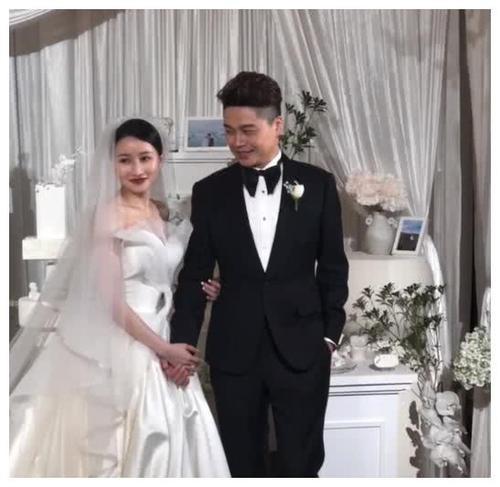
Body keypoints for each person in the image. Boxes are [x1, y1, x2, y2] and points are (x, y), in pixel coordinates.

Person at [9, 118, 230, 477]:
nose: (137, 169)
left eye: (145, 158)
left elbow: (169, 276)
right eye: (125, 160)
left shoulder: (161, 211)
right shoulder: (106, 216)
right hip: (125, 339)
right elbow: (113, 303)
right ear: (111, 164)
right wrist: (164, 349)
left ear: (160, 159)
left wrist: (212, 286)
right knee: (127, 432)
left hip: (164, 328)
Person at [170, 71, 349, 477]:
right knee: (240, 465)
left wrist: (328, 337)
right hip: (234, 351)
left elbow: (333, 268)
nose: (237, 141)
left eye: (248, 130)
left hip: (303, 351)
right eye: (229, 131)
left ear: (277, 125)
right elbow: (194, 274)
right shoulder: (210, 192)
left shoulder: (318, 185)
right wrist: (182, 343)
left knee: (301, 465)